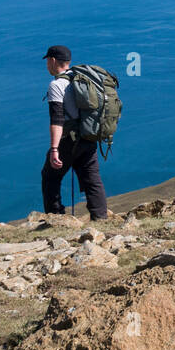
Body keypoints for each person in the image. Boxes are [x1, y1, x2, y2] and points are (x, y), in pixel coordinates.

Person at [41, 45, 109, 220]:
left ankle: (55, 218)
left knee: (50, 176)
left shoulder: (56, 85)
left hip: (68, 140)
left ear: (53, 60)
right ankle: (100, 218)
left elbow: (57, 119)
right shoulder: (84, 79)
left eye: (47, 60)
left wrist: (54, 149)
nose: (47, 65)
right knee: (92, 179)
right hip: (89, 135)